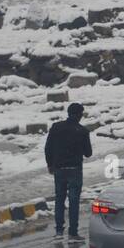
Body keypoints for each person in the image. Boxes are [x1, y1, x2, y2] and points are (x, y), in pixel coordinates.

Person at [44, 102, 92, 239]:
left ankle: (59, 231)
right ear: (79, 115)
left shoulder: (56, 127)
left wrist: (50, 164)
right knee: (74, 201)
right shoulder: (82, 131)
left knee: (59, 200)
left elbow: (48, 148)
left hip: (59, 169)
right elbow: (88, 153)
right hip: (75, 170)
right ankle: (73, 232)